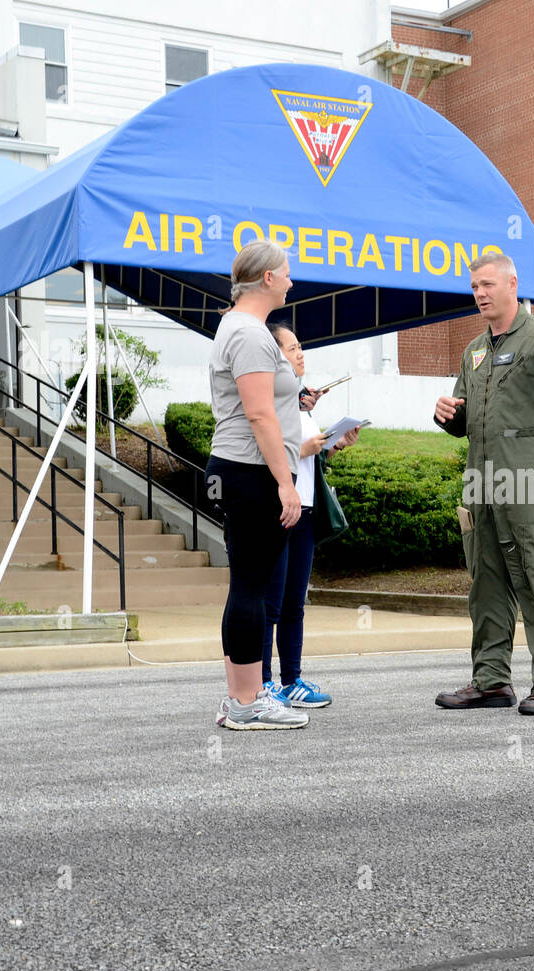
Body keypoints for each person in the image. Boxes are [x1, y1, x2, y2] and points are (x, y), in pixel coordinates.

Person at [433, 252, 534, 715]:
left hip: (528, 477)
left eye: (487, 285)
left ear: (511, 283)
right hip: (480, 481)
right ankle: (490, 681)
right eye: (474, 288)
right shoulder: (474, 350)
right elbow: (466, 421)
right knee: (485, 581)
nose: (480, 294)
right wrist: (448, 415)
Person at [205, 239, 309, 730]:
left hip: (239, 470)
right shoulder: (249, 332)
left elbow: (270, 405)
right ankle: (248, 702)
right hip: (250, 473)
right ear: (267, 278)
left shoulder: (243, 328)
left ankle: (239, 697)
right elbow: (259, 413)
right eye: (286, 272)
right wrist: (286, 484)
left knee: (246, 586)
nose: (291, 279)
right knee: (251, 587)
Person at [260, 323, 359, 710]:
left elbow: (308, 461)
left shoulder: (297, 405)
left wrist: (332, 447)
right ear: (273, 354)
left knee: (293, 602)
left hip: (304, 509)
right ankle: (263, 683)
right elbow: (265, 452)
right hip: (277, 510)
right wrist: (305, 447)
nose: (301, 354)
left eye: (301, 347)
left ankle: (291, 680)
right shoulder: (264, 399)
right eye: (293, 347)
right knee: (270, 602)